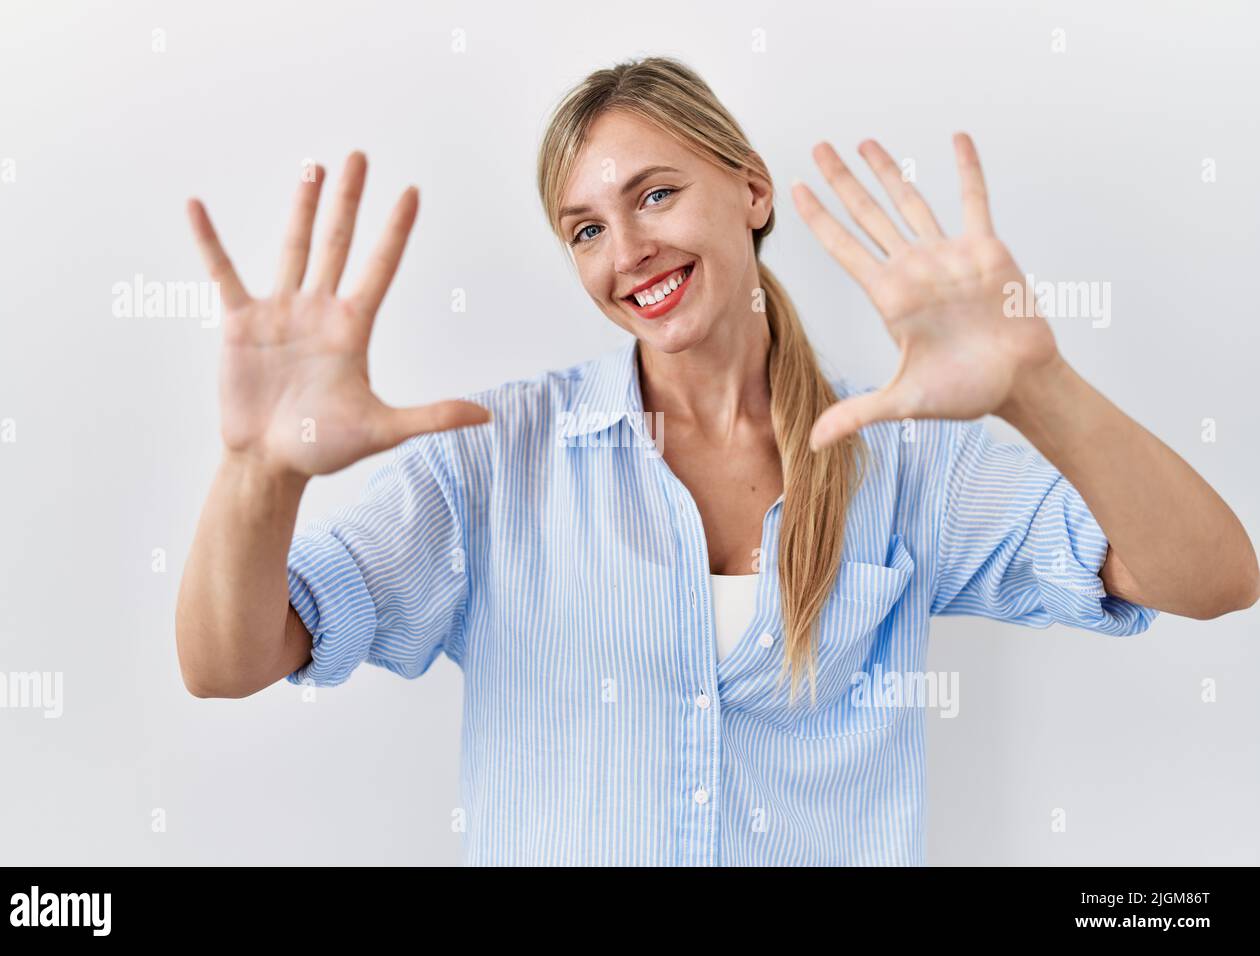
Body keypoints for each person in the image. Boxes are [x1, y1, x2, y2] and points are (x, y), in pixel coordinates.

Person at [174, 57, 1258, 865]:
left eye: (653, 194)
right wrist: (260, 470)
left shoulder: (901, 462)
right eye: (584, 228)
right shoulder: (497, 461)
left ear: (750, 190)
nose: (627, 250)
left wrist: (1039, 387)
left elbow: (1211, 577)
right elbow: (226, 661)